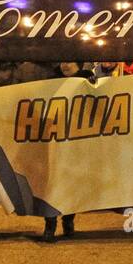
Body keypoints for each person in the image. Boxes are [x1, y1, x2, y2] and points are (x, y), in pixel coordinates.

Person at [41, 61, 91, 240]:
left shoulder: (89, 81)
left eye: (69, 61)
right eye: (62, 61)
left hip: (78, 141)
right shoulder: (52, 81)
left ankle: (68, 220)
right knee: (53, 182)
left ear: (78, 64)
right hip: (56, 139)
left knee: (72, 183)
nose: (65, 65)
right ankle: (50, 224)